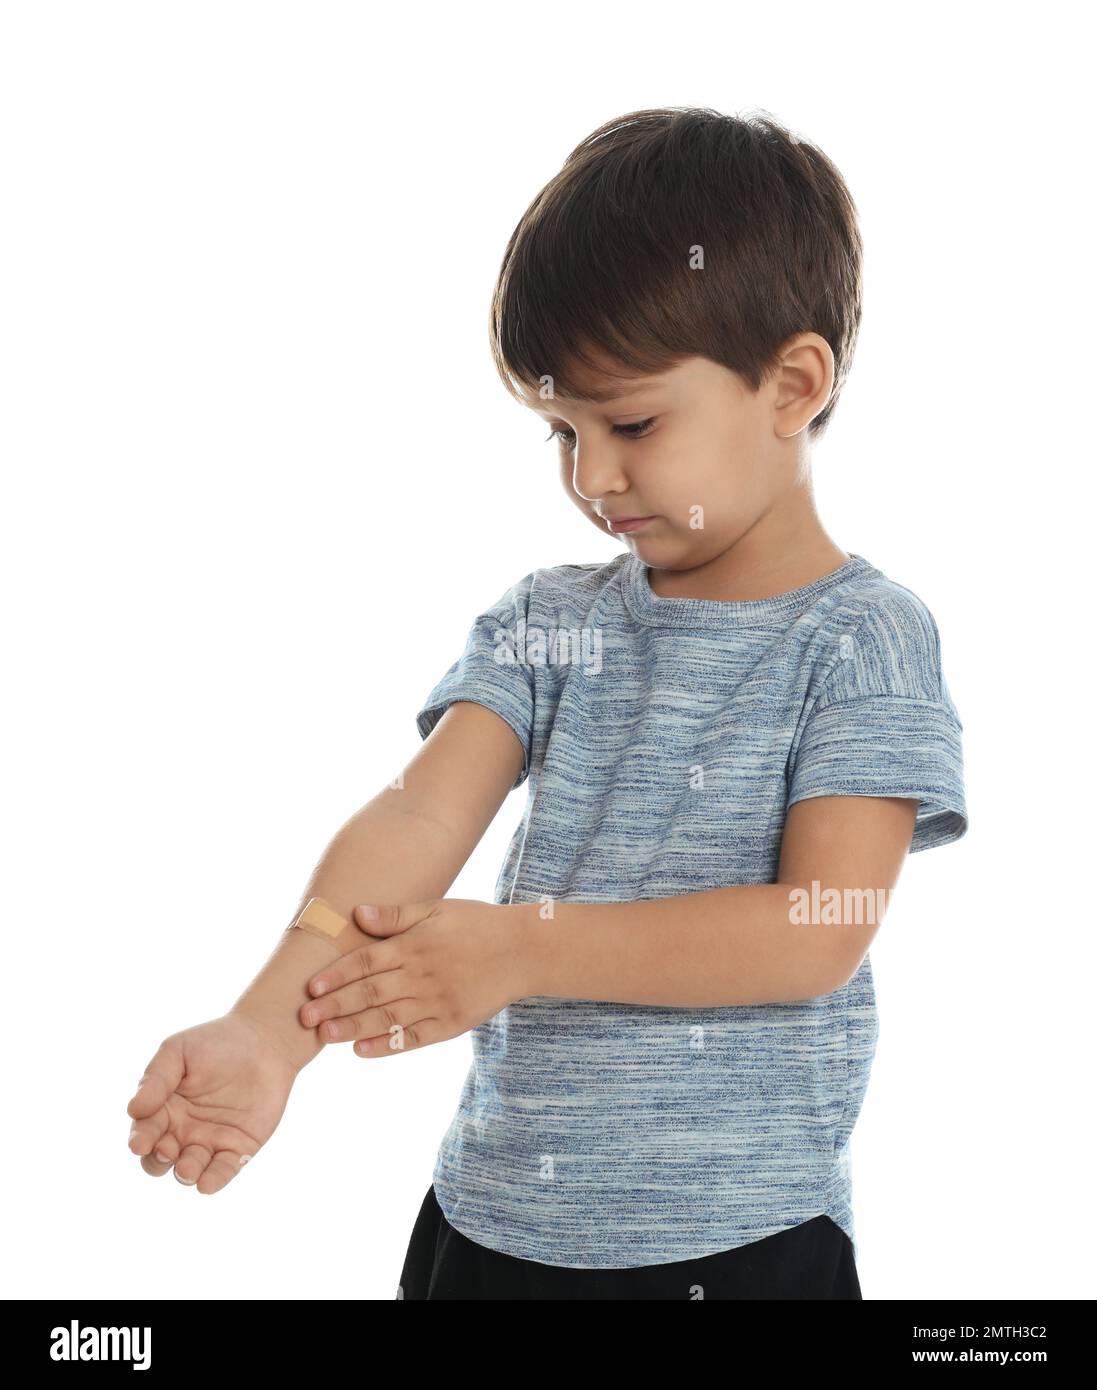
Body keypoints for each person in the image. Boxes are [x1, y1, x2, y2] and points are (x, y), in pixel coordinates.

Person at [127, 105, 968, 1300]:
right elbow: (417, 819)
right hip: (488, 1227)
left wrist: (520, 948)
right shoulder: (551, 615)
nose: (590, 475)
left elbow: (817, 925)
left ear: (791, 383)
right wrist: (269, 1025)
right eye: (559, 432)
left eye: (628, 423)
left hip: (734, 1249)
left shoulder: (859, 637)